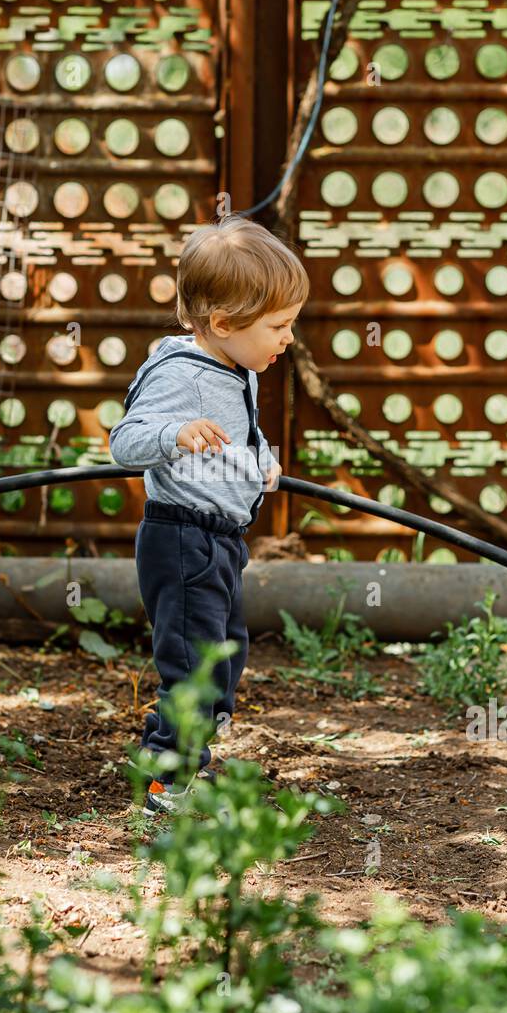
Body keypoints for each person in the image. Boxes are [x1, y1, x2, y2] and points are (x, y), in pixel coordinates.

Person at [109, 213, 310, 814]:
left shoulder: (231, 364)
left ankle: (167, 761)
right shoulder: (180, 375)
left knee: (225, 658)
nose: (288, 339)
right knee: (195, 668)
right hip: (182, 539)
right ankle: (167, 789)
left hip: (220, 541)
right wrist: (173, 432)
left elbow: (230, 440)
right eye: (279, 326)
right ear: (222, 322)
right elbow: (126, 442)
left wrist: (259, 463)